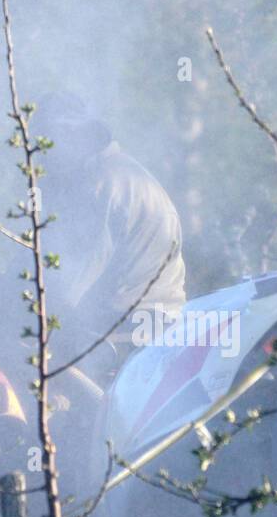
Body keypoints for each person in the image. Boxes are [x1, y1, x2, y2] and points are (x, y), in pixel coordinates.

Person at [28, 91, 186, 384]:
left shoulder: (99, 187)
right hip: (152, 336)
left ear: (77, 137)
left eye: (48, 140)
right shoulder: (124, 173)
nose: (42, 150)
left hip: (121, 346)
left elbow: (64, 290)